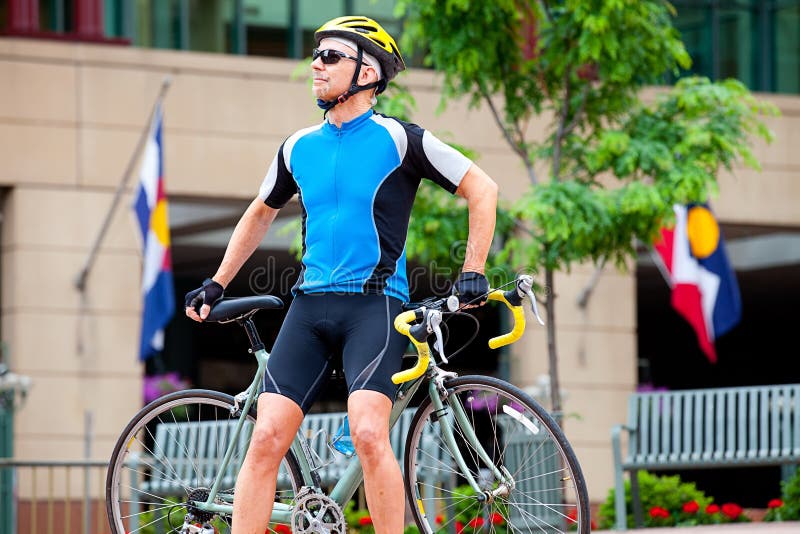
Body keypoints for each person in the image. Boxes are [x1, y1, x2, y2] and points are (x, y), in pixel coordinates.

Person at [184, 15, 498, 534]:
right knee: (265, 439)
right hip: (308, 307)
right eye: (316, 55)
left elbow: (481, 188)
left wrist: (473, 271)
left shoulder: (401, 139)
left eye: (330, 56)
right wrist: (218, 280)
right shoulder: (297, 146)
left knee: (371, 434)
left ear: (368, 72)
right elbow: (260, 211)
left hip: (375, 306)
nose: (316, 65)